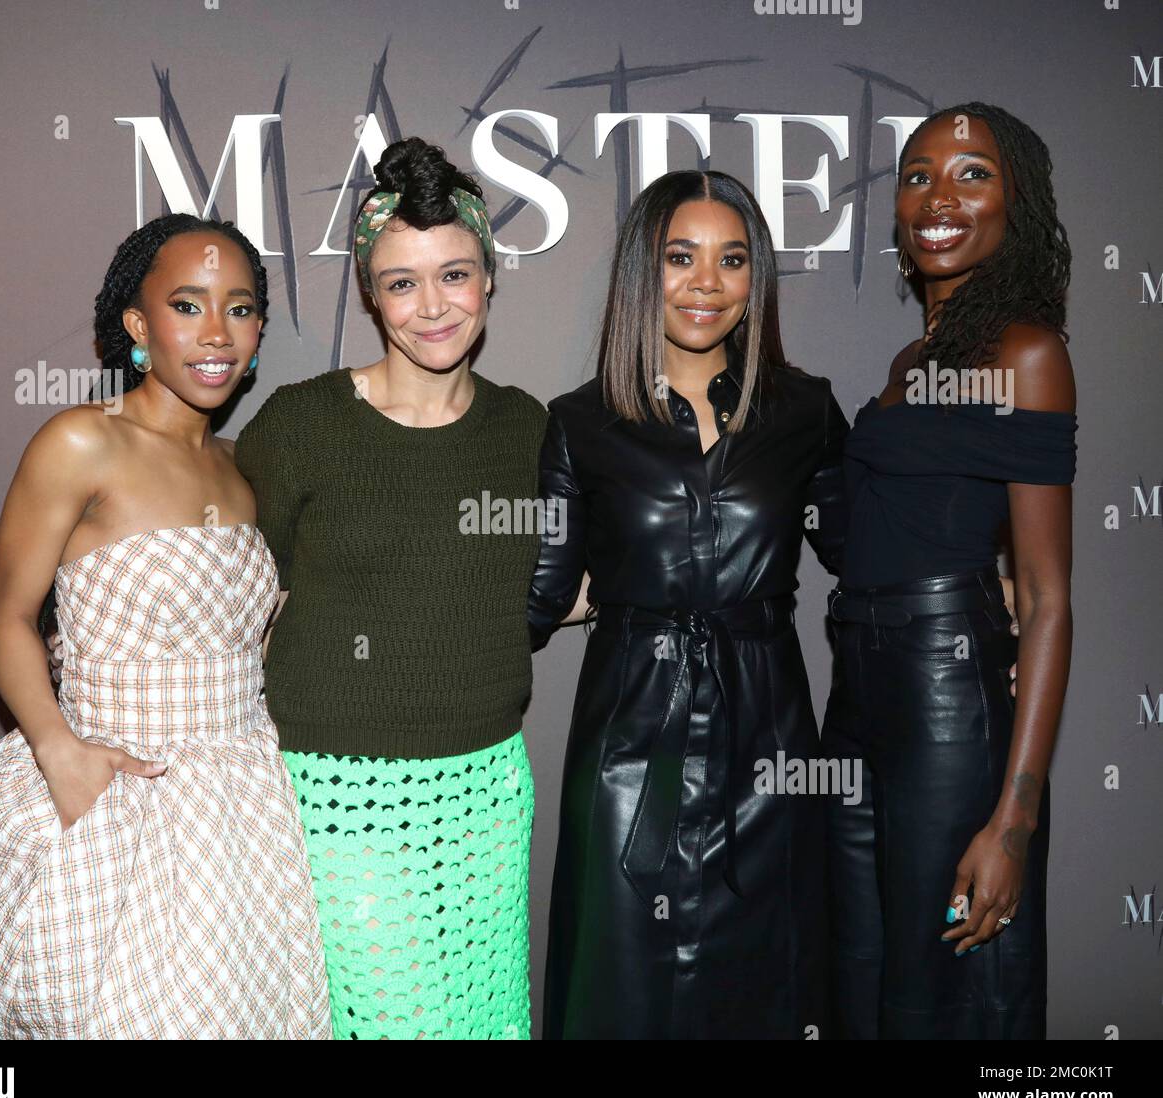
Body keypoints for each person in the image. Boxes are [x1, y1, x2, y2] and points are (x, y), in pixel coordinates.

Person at [0, 214, 331, 1039]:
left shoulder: (247, 465)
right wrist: (60, 754)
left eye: (240, 309)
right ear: (138, 326)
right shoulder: (79, 443)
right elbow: (7, 616)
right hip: (114, 791)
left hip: (240, 812)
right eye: (187, 305)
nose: (218, 333)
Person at [233, 138, 548, 1040]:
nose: (433, 306)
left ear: (489, 278)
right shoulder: (304, 423)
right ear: (371, 295)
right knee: (377, 1015)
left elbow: (554, 584)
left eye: (455, 273)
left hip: (487, 793)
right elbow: (238, 595)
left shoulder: (526, 428)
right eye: (402, 283)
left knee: (476, 1017)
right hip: (338, 800)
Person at [527, 170, 848, 1038]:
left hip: (771, 750)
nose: (707, 282)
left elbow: (869, 555)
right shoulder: (579, 422)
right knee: (623, 995)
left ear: (756, 281)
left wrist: (988, 572)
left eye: (732, 260)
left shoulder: (806, 411)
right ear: (644, 271)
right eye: (681, 257)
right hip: (632, 751)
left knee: (768, 996)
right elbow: (536, 600)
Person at [826, 102, 1075, 1039]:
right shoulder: (904, 361)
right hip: (857, 693)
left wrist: (1013, 822)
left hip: (946, 698)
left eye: (973, 174)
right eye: (920, 174)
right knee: (862, 967)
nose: (940, 196)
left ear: (1019, 203)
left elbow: (1048, 600)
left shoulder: (1028, 353)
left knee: (945, 985)